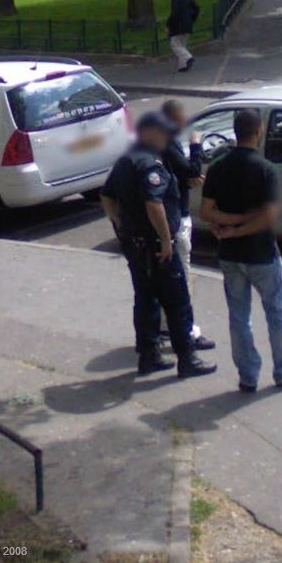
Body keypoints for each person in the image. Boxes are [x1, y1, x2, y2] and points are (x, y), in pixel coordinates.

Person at [200, 109, 282, 392]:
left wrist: (229, 225)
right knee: (277, 312)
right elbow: (269, 217)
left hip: (229, 255)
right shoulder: (265, 169)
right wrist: (241, 226)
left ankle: (248, 375)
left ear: (235, 132)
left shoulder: (218, 167)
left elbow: (206, 211)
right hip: (261, 253)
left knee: (239, 316)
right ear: (259, 131)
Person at [101, 111, 216, 379]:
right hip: (156, 246)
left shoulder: (126, 160)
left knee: (146, 300)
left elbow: (106, 196)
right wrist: (165, 240)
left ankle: (149, 356)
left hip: (134, 243)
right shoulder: (151, 164)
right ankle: (188, 359)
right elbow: (154, 205)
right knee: (176, 302)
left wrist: (119, 224)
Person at [158, 99, 215, 351]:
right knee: (183, 277)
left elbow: (185, 174)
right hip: (177, 217)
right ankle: (188, 332)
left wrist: (188, 176)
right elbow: (191, 170)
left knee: (169, 278)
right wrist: (195, 145)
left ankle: (163, 328)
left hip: (170, 216)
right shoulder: (168, 144)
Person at [166, 0, 200, 73]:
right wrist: (192, 19)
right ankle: (183, 66)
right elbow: (196, 8)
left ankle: (188, 58)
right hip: (188, 24)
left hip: (178, 25)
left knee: (175, 44)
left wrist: (169, 24)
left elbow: (175, 13)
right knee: (182, 45)